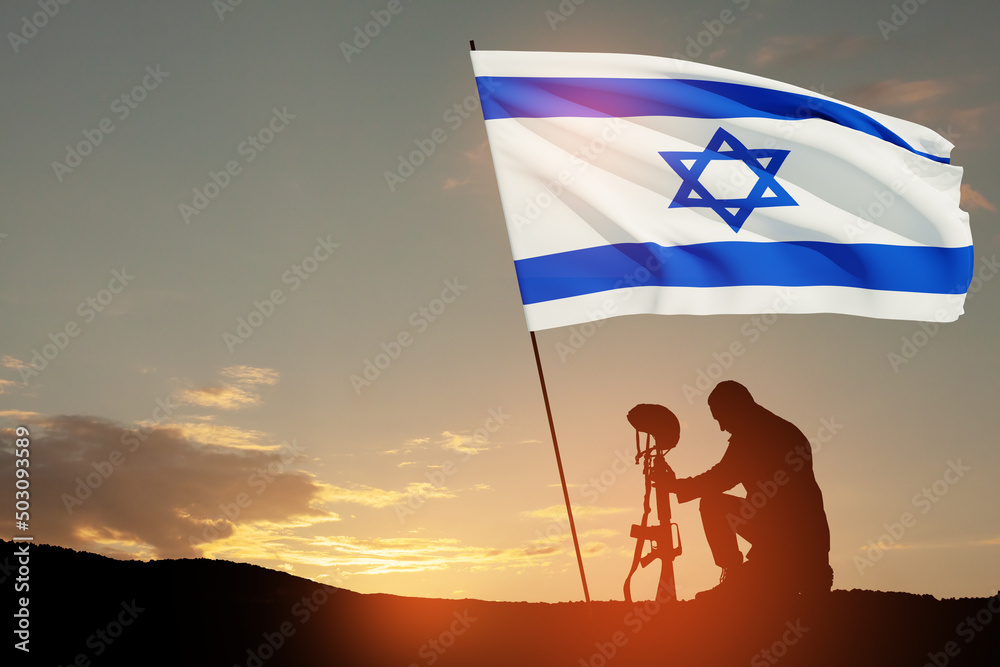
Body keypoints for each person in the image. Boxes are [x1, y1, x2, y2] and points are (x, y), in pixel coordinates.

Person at [669, 380, 833, 599]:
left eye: (720, 418)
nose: (721, 427)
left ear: (734, 408)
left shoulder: (753, 435)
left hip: (788, 543)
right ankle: (800, 573)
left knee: (712, 504)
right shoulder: (780, 428)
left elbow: (722, 477)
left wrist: (676, 486)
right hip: (808, 543)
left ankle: (741, 575)